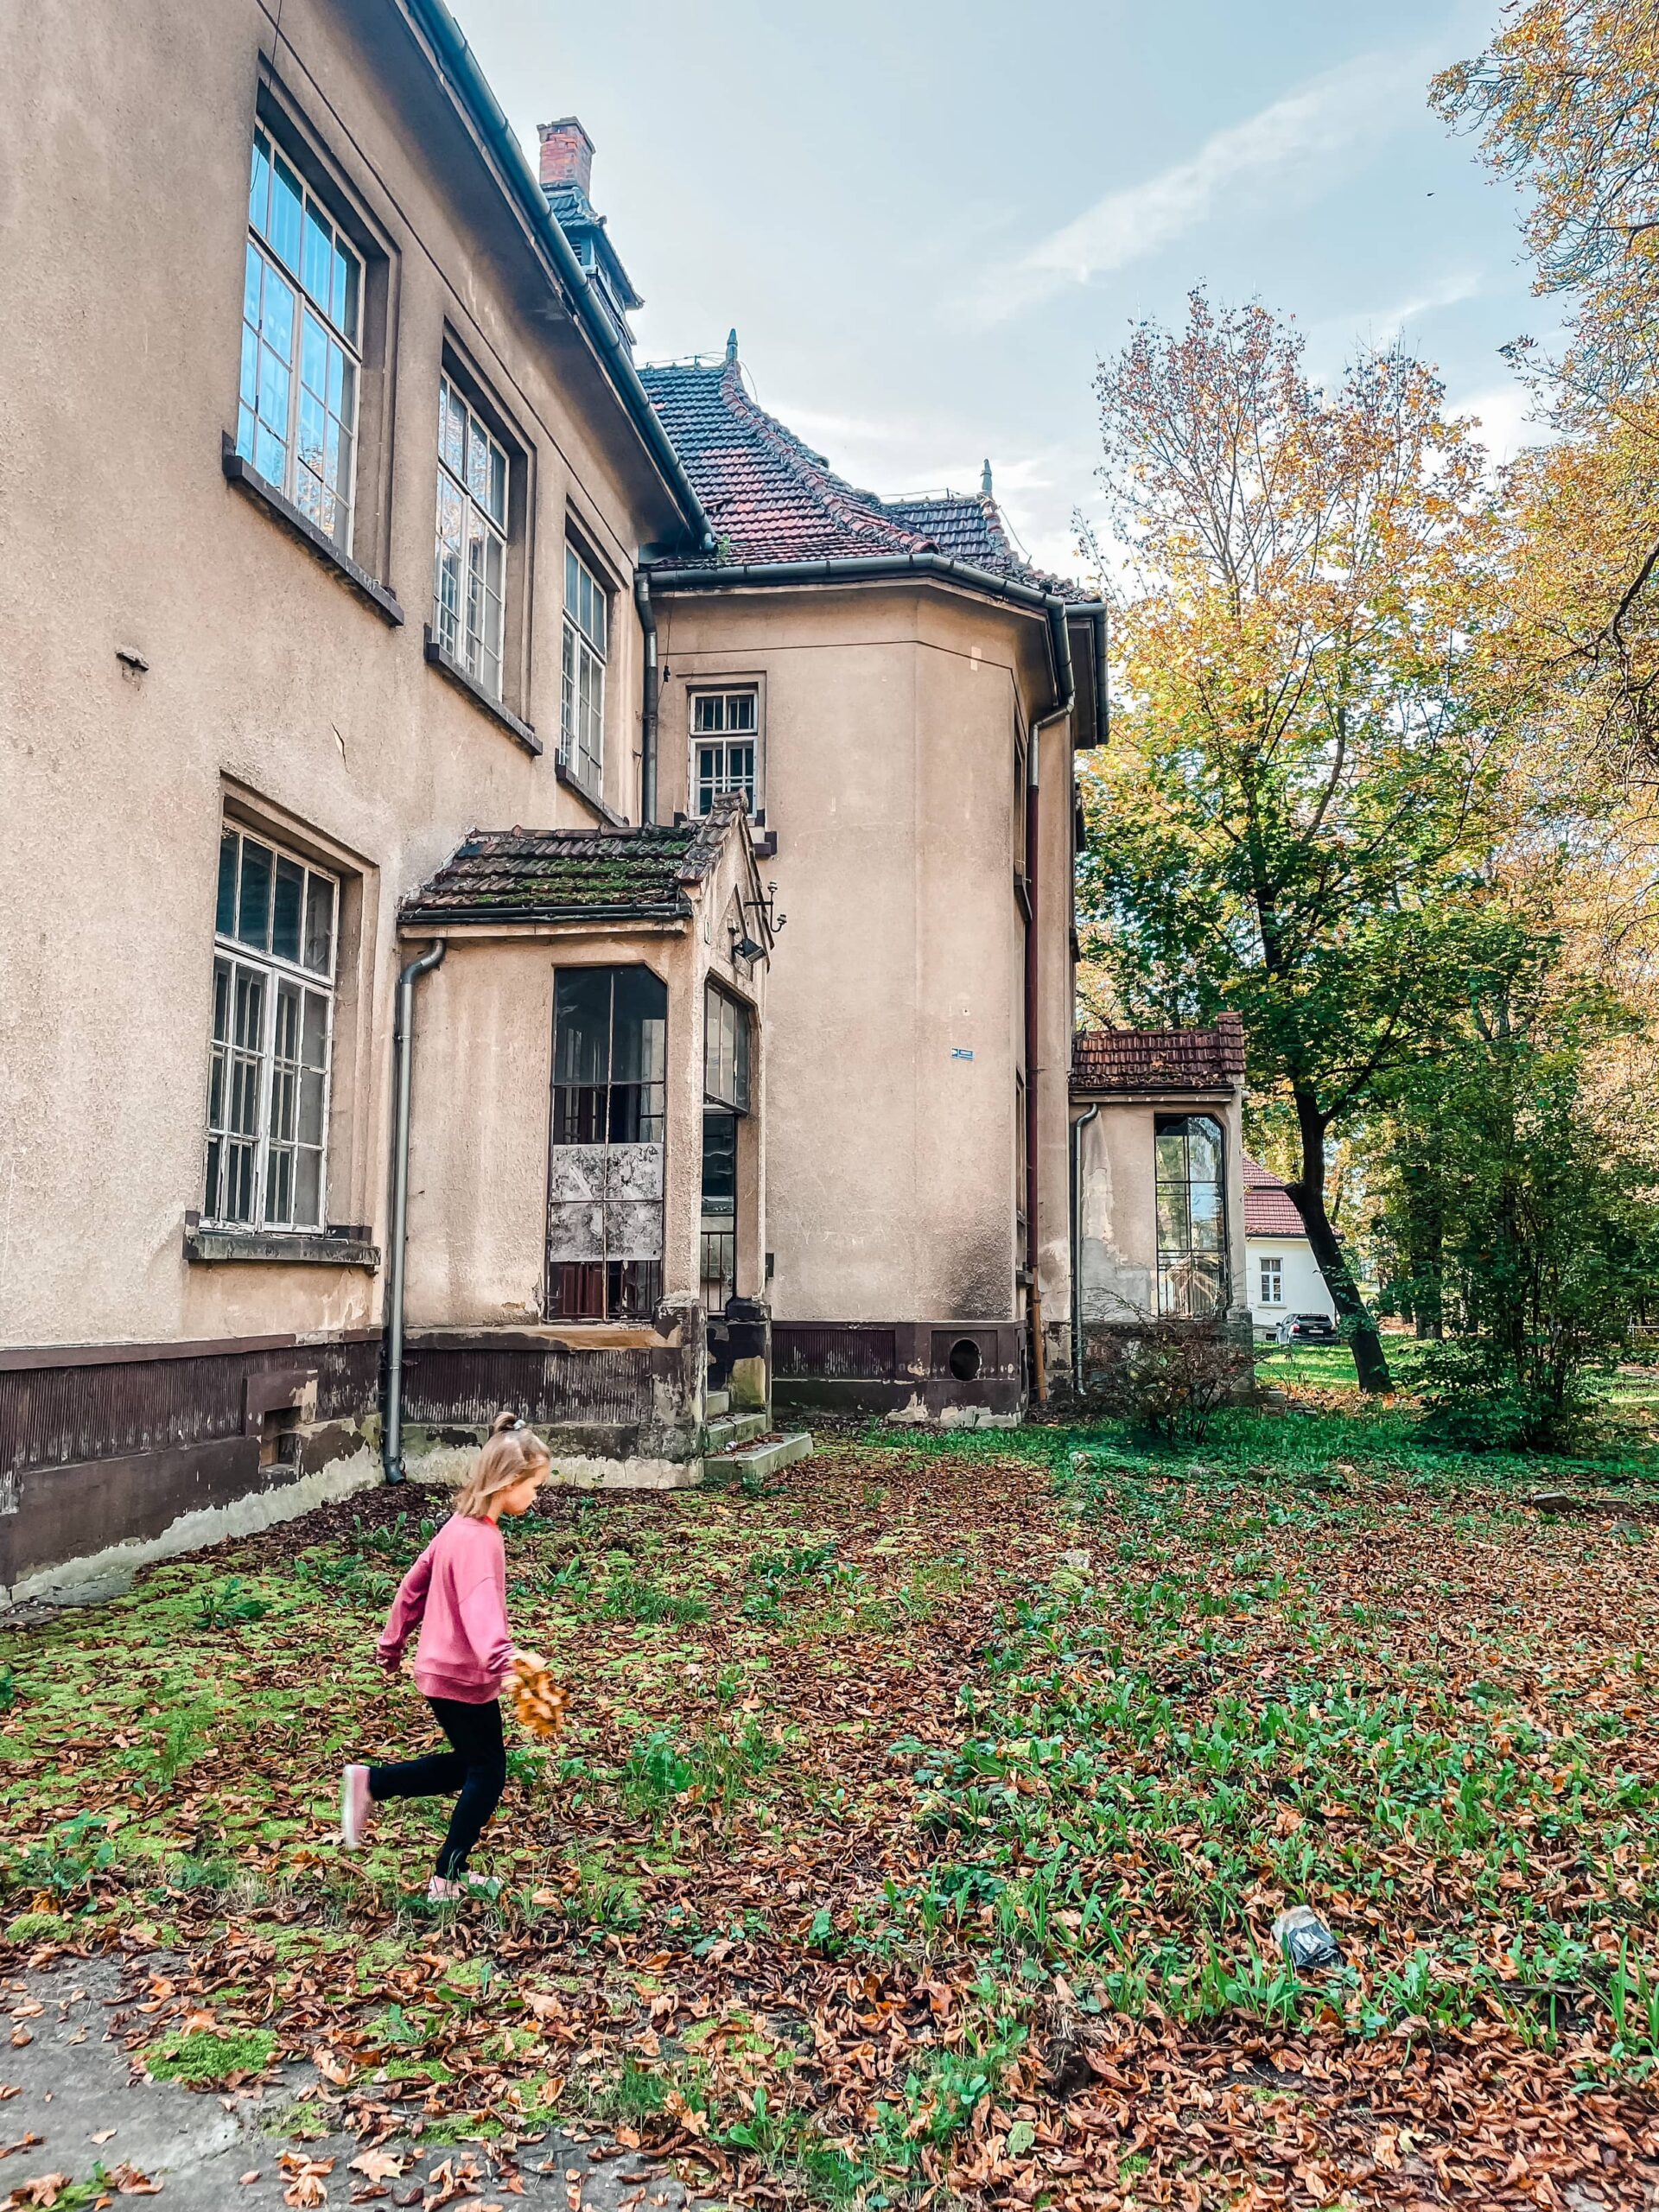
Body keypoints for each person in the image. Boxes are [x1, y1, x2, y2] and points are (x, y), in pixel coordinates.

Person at [340, 1412, 550, 1900]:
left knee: (471, 1765)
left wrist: (392, 1643)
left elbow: (414, 1584)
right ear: (510, 1481)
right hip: (464, 1675)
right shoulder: (482, 1541)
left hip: (438, 1670)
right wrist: (509, 1668)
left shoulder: (457, 1525)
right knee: (489, 1772)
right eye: (534, 1487)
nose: (536, 1498)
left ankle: (369, 1784)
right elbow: (481, 1616)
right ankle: (445, 1879)